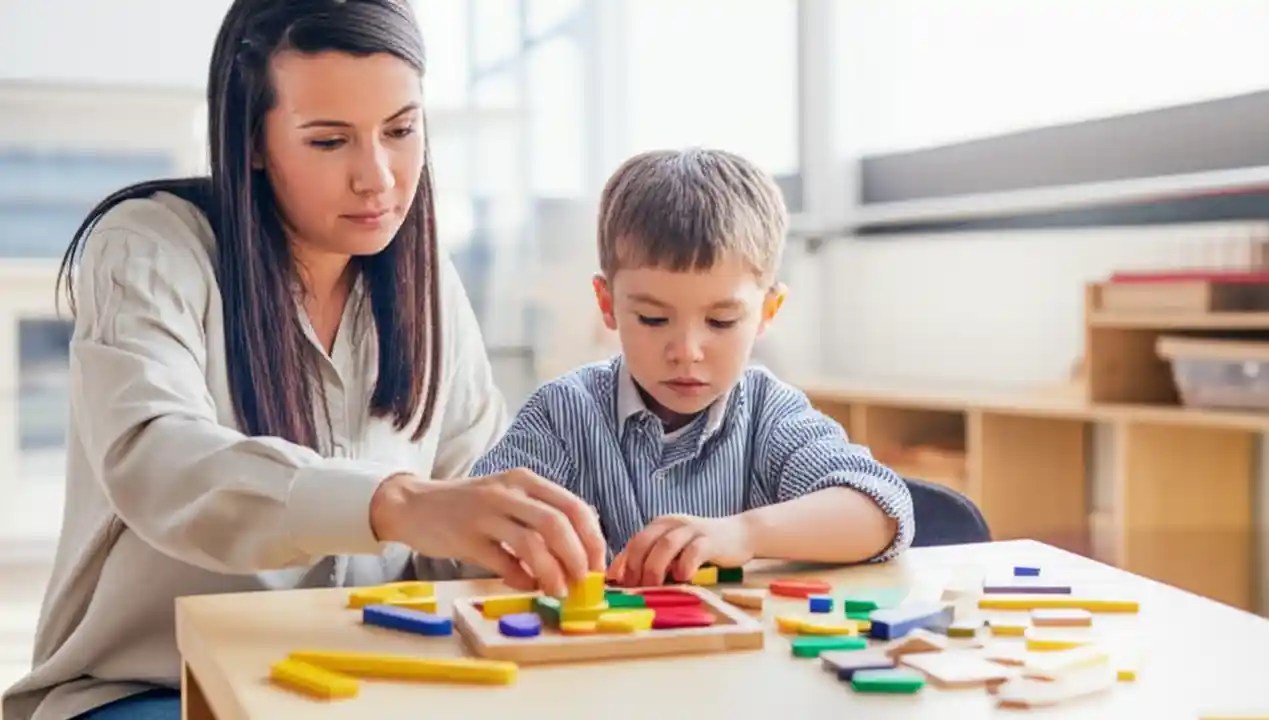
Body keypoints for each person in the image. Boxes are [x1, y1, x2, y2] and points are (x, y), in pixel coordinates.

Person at [2, 2, 607, 719]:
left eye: (402, 130)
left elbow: (463, 508)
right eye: (329, 141)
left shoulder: (427, 283)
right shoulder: (150, 247)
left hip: (363, 681)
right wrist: (395, 504)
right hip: (155, 687)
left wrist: (528, 541)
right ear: (253, 141)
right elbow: (158, 460)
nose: (377, 177)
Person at [469, 148, 916, 588]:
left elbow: (884, 511)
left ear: (767, 311)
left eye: (721, 321)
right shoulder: (563, 413)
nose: (686, 351)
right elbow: (478, 531)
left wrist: (744, 534)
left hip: (739, 657)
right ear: (607, 304)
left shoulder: (768, 413)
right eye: (653, 319)